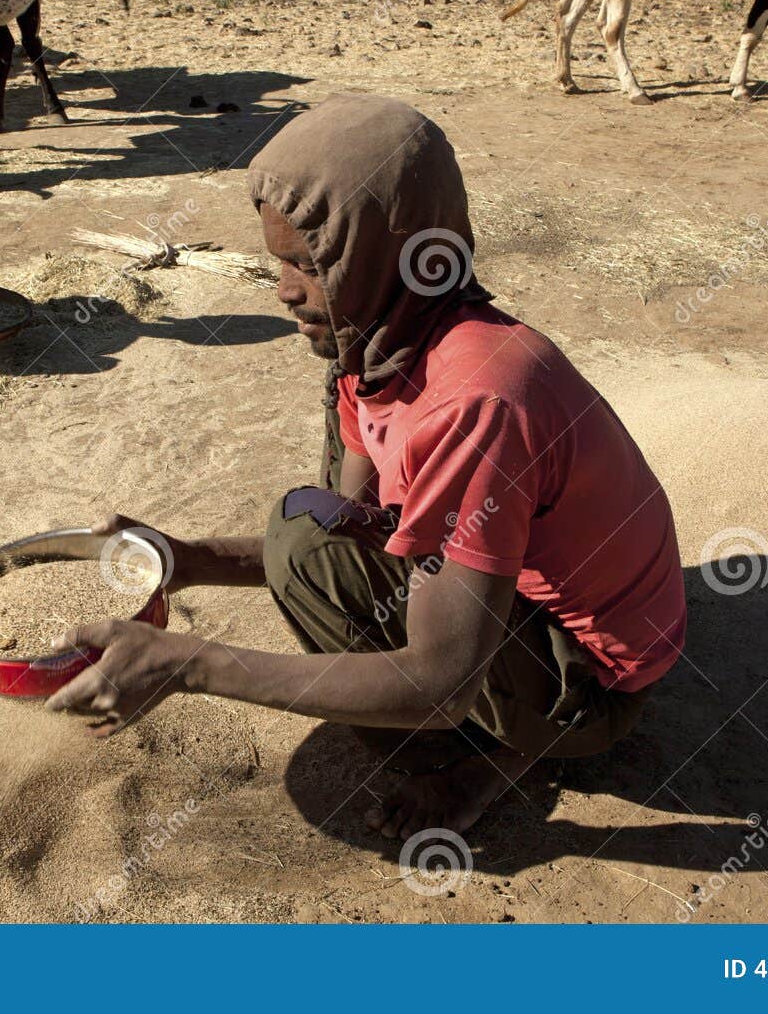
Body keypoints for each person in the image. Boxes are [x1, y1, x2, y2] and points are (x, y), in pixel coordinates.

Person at [45, 94, 687, 839]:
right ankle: (490, 734)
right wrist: (185, 559)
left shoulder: (477, 400)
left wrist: (187, 663)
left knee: (307, 547)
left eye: (308, 264)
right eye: (277, 263)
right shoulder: (377, 346)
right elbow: (353, 538)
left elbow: (442, 679)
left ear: (384, 251)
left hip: (589, 683)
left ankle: (484, 761)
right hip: (514, 612)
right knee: (307, 528)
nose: (285, 292)